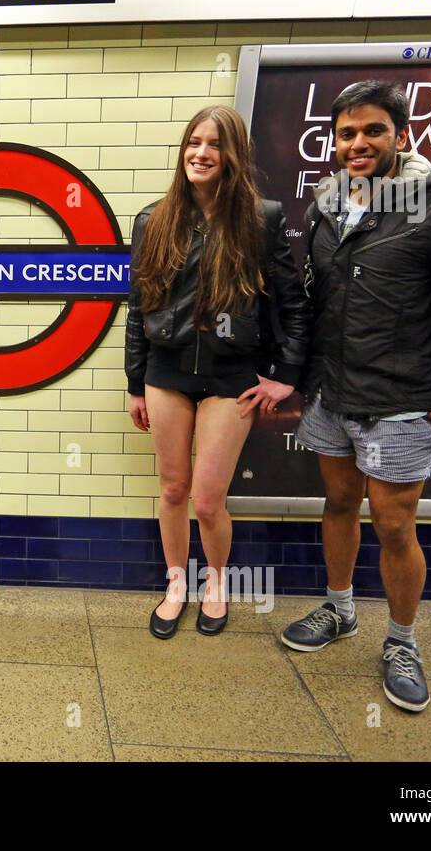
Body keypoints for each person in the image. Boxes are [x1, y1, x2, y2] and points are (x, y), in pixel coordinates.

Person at [280, 80, 431, 713]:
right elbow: (317, 305)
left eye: (372, 130)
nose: (358, 143)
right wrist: (299, 380)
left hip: (402, 401)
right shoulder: (327, 205)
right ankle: (341, 609)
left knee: (396, 525)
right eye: (346, 133)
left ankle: (402, 641)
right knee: (338, 503)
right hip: (332, 396)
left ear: (400, 135)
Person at [126, 105, 309, 639]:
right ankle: (177, 583)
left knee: (208, 499)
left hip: (232, 377)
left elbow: (291, 302)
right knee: (174, 490)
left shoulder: (261, 218)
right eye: (193, 142)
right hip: (167, 372)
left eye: (214, 144)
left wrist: (287, 374)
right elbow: (139, 307)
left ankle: (217, 583)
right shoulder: (153, 220)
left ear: (234, 156)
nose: (201, 153)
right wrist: (135, 384)